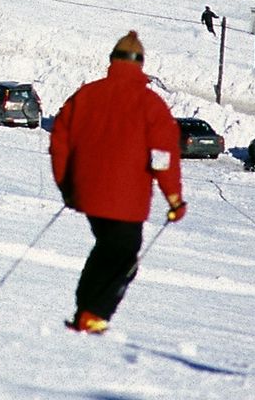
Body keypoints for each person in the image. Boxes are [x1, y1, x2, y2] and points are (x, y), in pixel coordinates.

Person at [49, 31, 185, 334]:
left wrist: (66, 186)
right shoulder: (151, 104)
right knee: (123, 255)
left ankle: (85, 309)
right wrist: (174, 198)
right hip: (127, 201)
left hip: (86, 194)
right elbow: (163, 156)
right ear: (141, 65)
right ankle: (93, 313)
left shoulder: (86, 95)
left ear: (112, 60)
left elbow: (60, 141)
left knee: (106, 248)